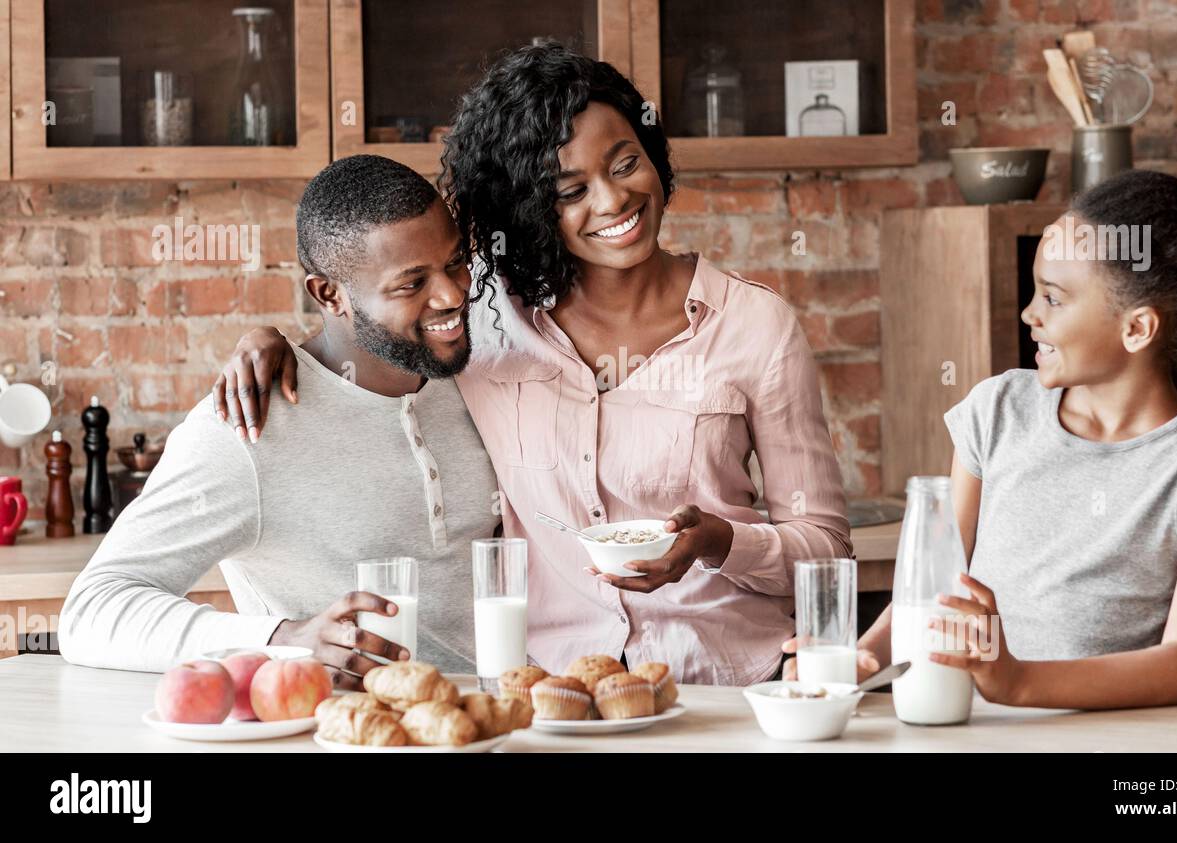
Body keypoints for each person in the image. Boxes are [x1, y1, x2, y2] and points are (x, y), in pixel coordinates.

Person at [212, 43, 851, 686]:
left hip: (725, 685)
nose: (613, 201)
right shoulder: (488, 322)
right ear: (527, 209)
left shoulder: (754, 327)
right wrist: (273, 341)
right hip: (548, 693)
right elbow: (376, 326)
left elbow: (827, 550)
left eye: (626, 163)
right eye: (570, 190)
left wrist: (720, 540)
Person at [785, 167, 1177, 709]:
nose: (1030, 314)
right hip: (966, 728)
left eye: (1054, 298)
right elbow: (933, 589)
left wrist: (1017, 682)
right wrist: (863, 659)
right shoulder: (997, 409)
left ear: (1136, 328)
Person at [59, 155, 501, 686]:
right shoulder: (248, 425)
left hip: (502, 725)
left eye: (455, 262)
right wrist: (281, 641)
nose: (454, 295)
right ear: (329, 294)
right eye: (411, 284)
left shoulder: (482, 378)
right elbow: (93, 610)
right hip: (347, 737)